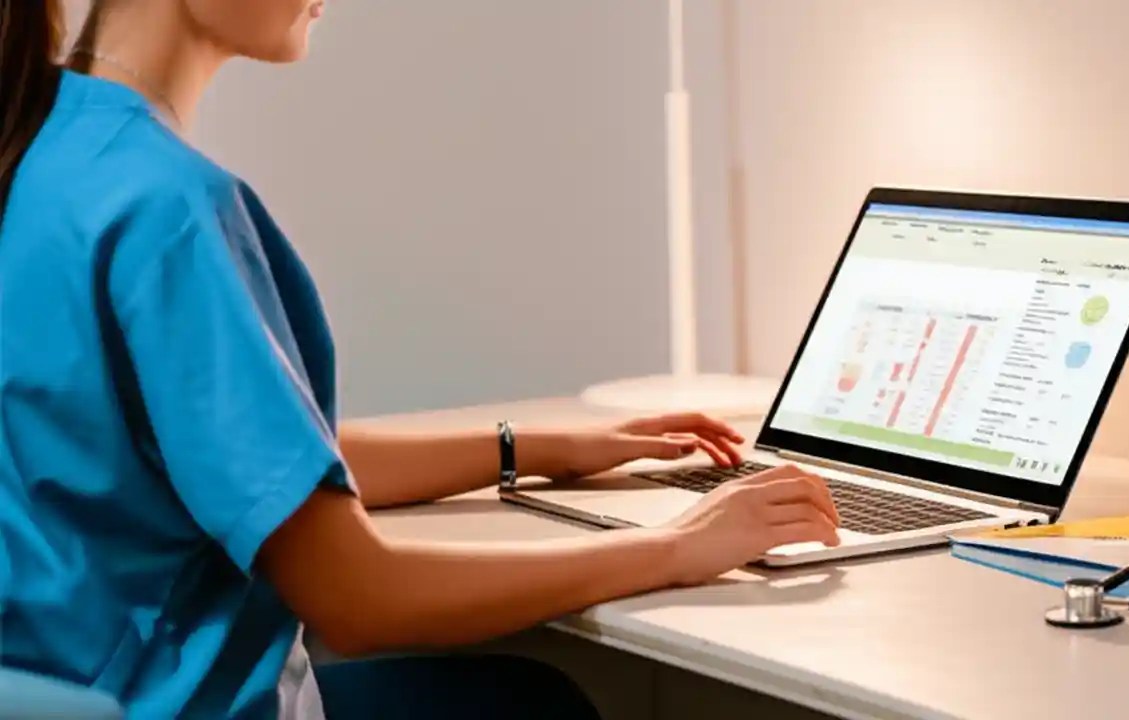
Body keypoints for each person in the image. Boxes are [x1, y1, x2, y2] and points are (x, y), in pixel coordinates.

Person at [0, 1, 841, 718]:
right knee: (531, 703)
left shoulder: (45, 156)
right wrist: (679, 547)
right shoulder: (170, 207)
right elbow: (354, 597)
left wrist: (533, 448)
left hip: (82, 686)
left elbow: (240, 461)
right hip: (185, 702)